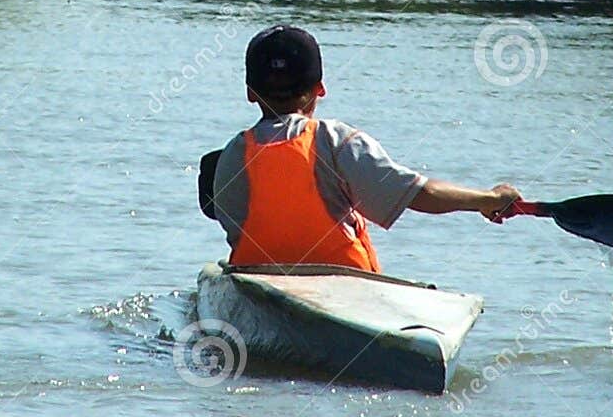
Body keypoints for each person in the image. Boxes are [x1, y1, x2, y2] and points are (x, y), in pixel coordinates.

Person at [198, 25, 521, 270]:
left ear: (251, 93)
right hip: (348, 288)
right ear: (319, 88)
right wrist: (490, 199)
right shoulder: (336, 141)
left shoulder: (231, 156)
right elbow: (420, 195)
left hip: (261, 286)